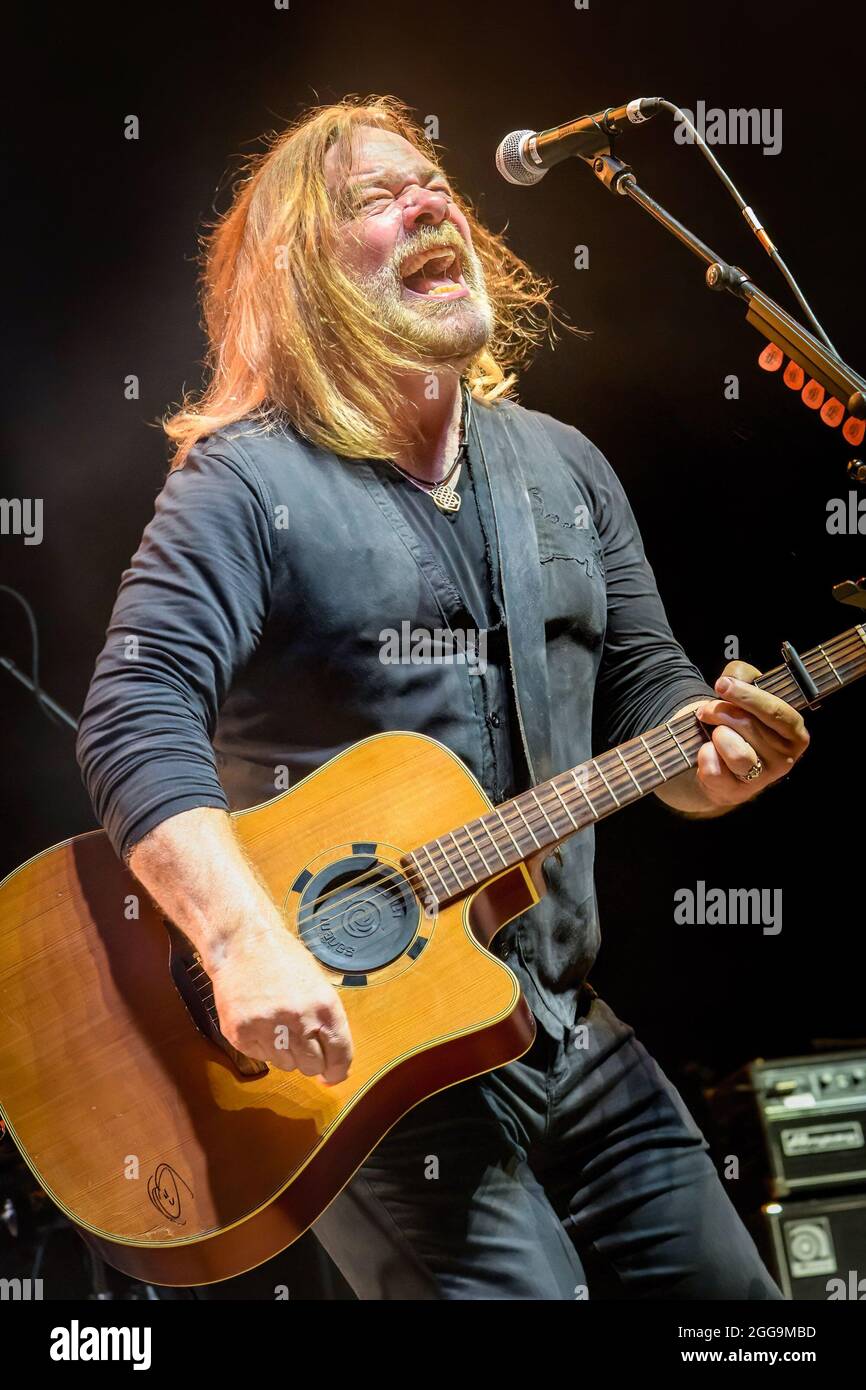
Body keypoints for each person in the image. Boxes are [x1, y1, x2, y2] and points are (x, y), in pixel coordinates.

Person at [76, 96, 809, 1300]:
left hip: (561, 1024)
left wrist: (713, 761)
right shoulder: (245, 478)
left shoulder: (564, 464)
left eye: (434, 185)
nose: (430, 204)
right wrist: (243, 940)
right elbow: (133, 711)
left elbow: (648, 692)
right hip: (372, 1063)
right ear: (302, 272)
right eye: (374, 198)